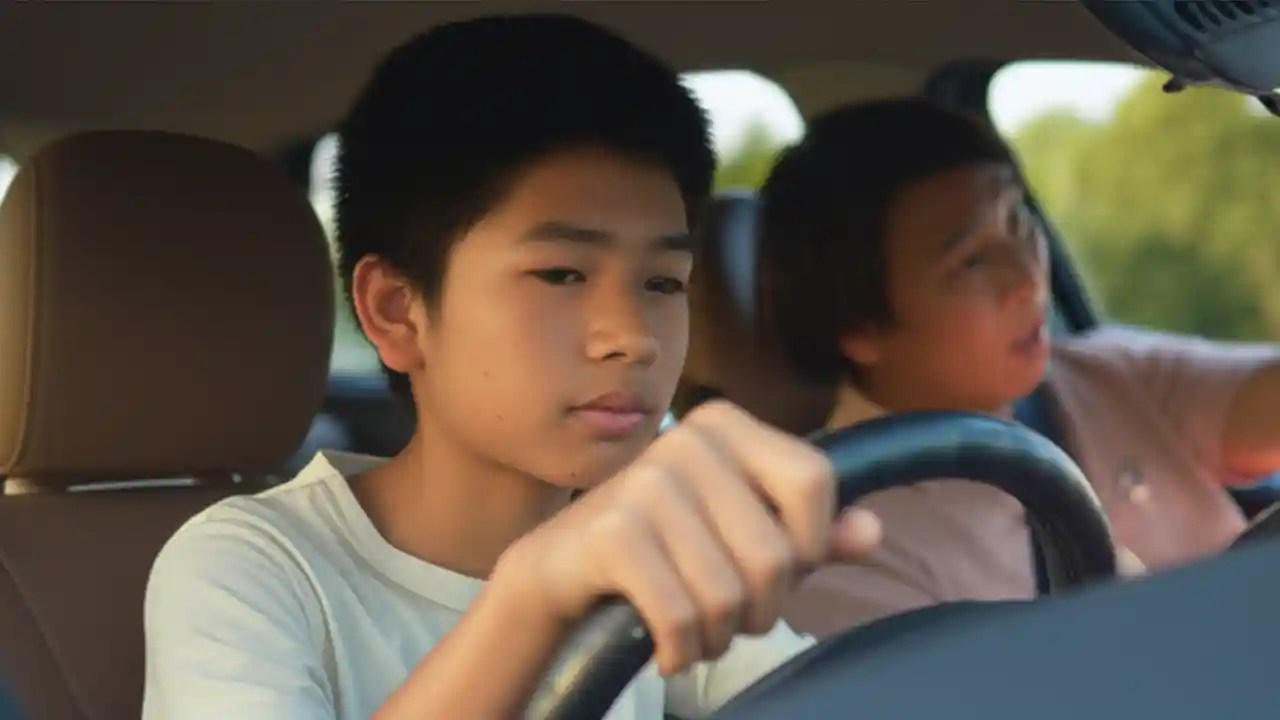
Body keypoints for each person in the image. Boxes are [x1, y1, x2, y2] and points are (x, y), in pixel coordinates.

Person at [141, 14, 884, 719]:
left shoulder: (645, 537)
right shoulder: (250, 567)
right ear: (398, 310)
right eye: (561, 275)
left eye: (662, 283)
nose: (633, 338)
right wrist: (534, 594)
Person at [756, 98, 1280, 638]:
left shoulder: (1109, 375)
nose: (1028, 279)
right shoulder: (846, 547)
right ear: (859, 328)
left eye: (1018, 222)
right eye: (972, 262)